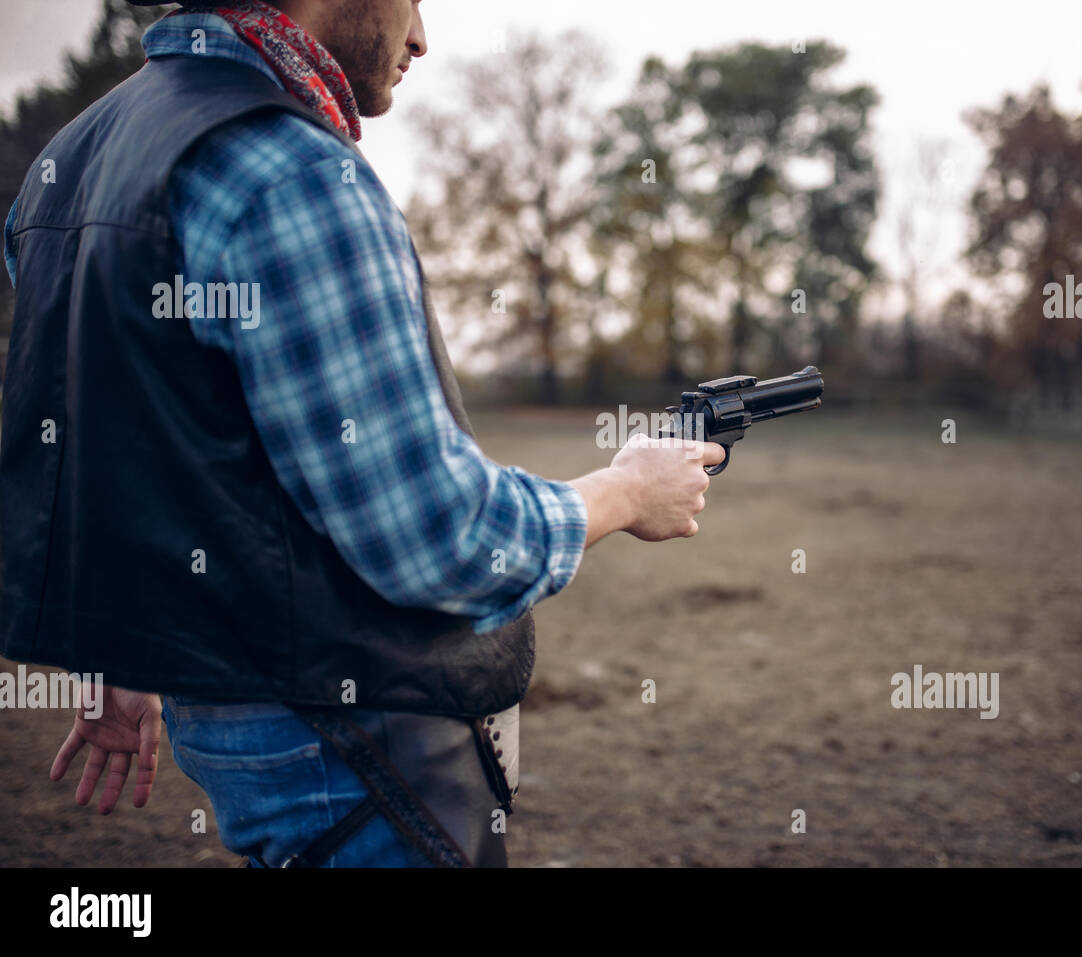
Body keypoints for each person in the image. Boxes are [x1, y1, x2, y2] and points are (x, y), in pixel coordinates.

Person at [1, 0, 721, 866]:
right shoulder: (291, 171)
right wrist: (628, 490)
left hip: (225, 714)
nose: (422, 35)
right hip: (349, 744)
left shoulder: (71, 158)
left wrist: (119, 655)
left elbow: (115, 440)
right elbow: (440, 537)